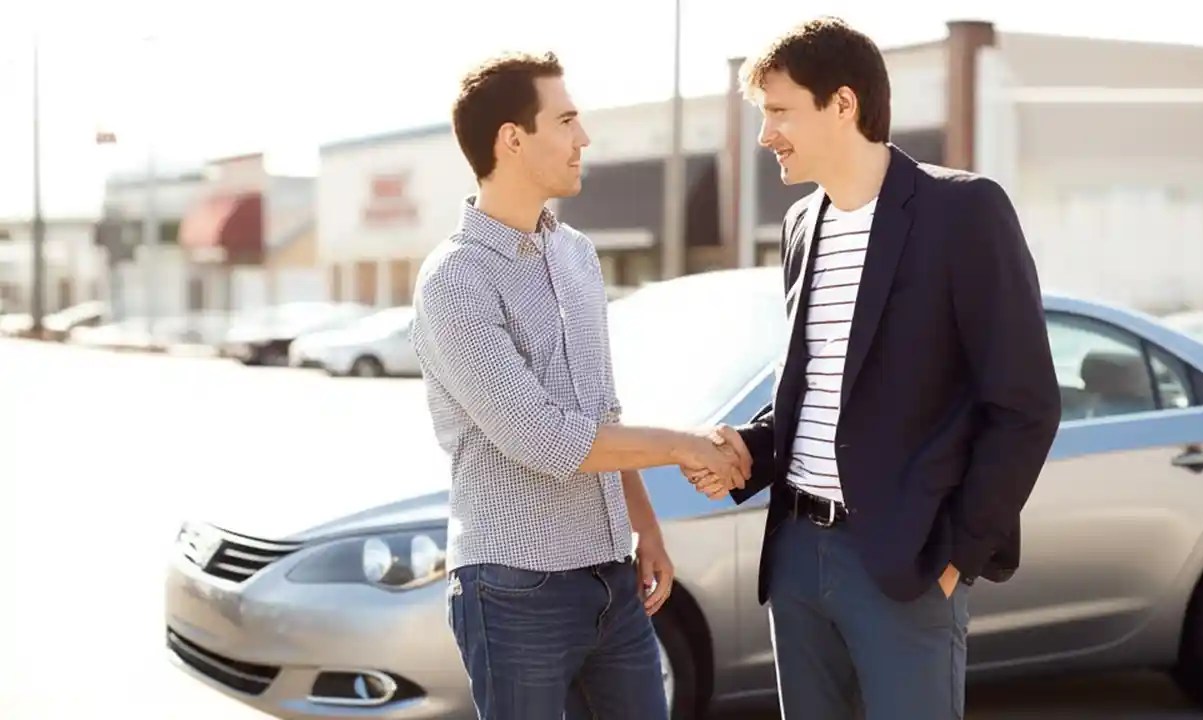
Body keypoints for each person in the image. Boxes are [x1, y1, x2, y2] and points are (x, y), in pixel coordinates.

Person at [688, 17, 1062, 719]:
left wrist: (955, 559)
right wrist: (752, 446)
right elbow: (819, 389)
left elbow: (1025, 405)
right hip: (796, 558)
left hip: (906, 564)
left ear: (843, 103)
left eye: (779, 112)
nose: (767, 134)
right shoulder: (801, 225)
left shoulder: (963, 211)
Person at [409, 51, 750, 720]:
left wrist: (646, 529)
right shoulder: (456, 280)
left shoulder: (578, 255)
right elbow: (542, 438)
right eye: (565, 120)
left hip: (612, 578)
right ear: (512, 139)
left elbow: (602, 412)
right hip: (514, 591)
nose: (583, 138)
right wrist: (686, 447)